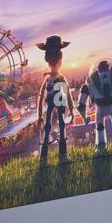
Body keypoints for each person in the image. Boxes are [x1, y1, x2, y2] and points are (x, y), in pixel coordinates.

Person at [36, 35, 74, 166]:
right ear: (61, 59)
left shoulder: (48, 80)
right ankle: (62, 154)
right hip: (59, 102)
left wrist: (40, 115)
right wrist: (72, 109)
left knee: (50, 125)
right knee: (60, 123)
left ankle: (44, 156)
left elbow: (41, 97)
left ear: (47, 60)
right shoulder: (59, 79)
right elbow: (67, 93)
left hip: (53, 103)